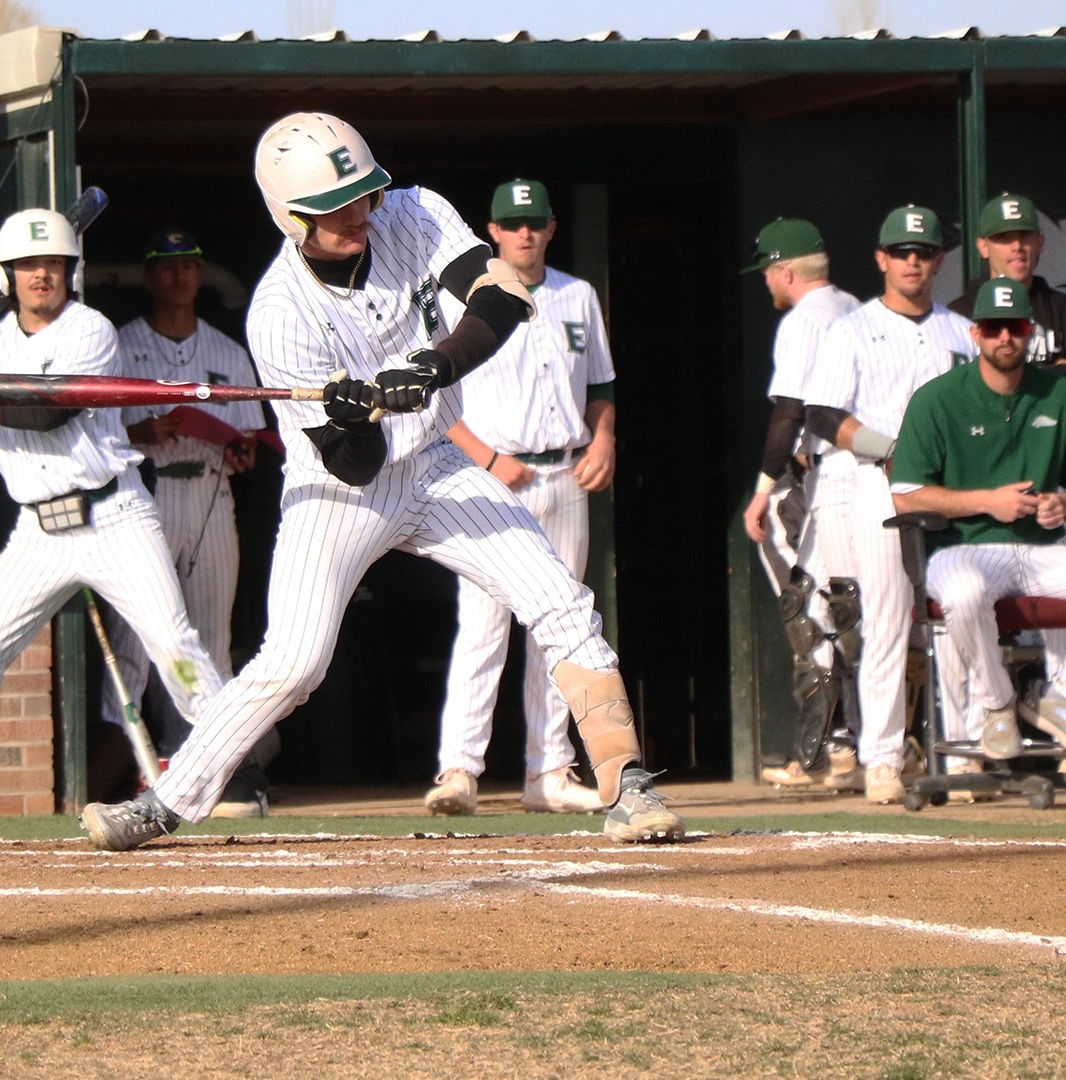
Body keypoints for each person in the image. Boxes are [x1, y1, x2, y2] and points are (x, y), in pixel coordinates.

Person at [80, 111, 681, 849]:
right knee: (295, 662)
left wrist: (429, 370)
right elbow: (351, 462)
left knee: (559, 598)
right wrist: (352, 415)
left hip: (441, 464)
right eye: (334, 209)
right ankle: (167, 802)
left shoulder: (415, 212)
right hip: (339, 493)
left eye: (364, 194)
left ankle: (629, 784)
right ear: (288, 216)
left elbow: (501, 299)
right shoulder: (277, 314)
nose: (358, 214)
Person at [0, 207, 224, 820]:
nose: (40, 275)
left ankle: (223, 769)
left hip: (114, 515)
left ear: (71, 272)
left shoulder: (91, 330)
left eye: (52, 264)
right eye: (27, 265)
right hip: (38, 531)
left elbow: (45, 411)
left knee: (174, 645)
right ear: (8, 275)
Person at [890, 277, 1066, 777]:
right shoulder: (937, 398)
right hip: (963, 548)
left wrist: (1064, 502)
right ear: (976, 334)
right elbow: (906, 493)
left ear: (1029, 332)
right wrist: (985, 501)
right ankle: (997, 704)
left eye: (1014, 327)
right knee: (967, 592)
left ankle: (1064, 698)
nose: (1004, 338)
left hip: (1039, 550)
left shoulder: (1060, 392)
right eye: (993, 328)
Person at [424, 178, 616, 817]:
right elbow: (433, 400)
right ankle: (459, 772)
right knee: (482, 630)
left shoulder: (578, 294)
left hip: (564, 472)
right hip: (490, 481)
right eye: (512, 224)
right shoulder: (468, 298)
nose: (524, 233)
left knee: (561, 629)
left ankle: (550, 773)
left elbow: (603, 384)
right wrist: (486, 458)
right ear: (493, 232)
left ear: (551, 229)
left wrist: (604, 439)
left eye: (535, 223)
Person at [800, 205, 975, 804]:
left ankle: (966, 750)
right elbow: (820, 413)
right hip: (875, 480)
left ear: (939, 260)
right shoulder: (850, 328)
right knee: (887, 619)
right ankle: (882, 756)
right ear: (881, 259)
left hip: (948, 486)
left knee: (956, 615)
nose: (912, 262)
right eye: (901, 252)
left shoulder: (959, 329)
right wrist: (888, 446)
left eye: (922, 252)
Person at [107, 226, 277, 818]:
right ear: (149, 275)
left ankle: (214, 771)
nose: (179, 275)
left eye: (189, 265)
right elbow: (88, 431)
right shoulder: (120, 345)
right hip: (143, 495)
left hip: (209, 493)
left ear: (199, 275)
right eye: (167, 264)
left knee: (211, 639)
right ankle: (127, 764)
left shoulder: (228, 351)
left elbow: (252, 434)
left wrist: (242, 450)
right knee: (135, 643)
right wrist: (137, 431)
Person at [737, 217, 864, 792]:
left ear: (786, 269)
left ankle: (825, 752)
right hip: (869, 477)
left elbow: (789, 411)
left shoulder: (802, 320)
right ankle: (865, 742)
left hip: (816, 480)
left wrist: (763, 490)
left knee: (810, 609)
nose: (767, 280)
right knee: (858, 607)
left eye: (768, 269)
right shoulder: (858, 308)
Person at [947, 192, 1066, 403]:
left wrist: (1012, 376)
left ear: (1039, 242)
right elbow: (955, 386)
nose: (1017, 246)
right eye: (1004, 238)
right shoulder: (960, 313)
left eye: (1024, 235)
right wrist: (1053, 370)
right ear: (983, 247)